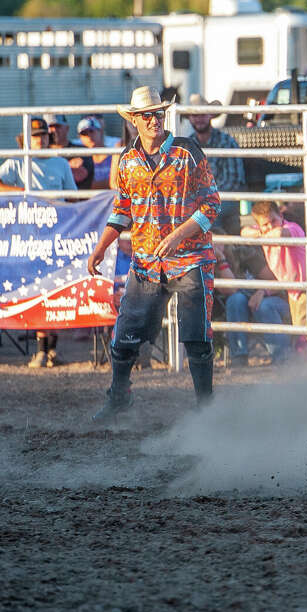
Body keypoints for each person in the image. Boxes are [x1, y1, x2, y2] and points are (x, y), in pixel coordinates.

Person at [87, 86, 220, 421]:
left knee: (196, 337)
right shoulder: (127, 162)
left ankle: (206, 408)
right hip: (147, 261)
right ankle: (119, 397)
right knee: (125, 335)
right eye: (147, 115)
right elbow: (122, 210)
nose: (154, 120)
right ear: (134, 120)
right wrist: (102, 246)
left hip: (190, 258)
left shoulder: (188, 152)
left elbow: (212, 203)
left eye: (158, 114)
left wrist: (179, 234)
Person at [0, 117, 78, 368]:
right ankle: (41, 350)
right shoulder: (18, 161)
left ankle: (51, 350)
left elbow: (73, 198)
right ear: (26, 139)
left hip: (59, 232)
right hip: (32, 236)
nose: (41, 139)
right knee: (39, 290)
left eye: (44, 135)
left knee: (58, 289)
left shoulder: (60, 163)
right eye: (36, 135)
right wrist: (21, 194)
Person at [231, 200, 307, 365]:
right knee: (303, 330)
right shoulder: (264, 231)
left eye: (273, 221)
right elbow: (245, 232)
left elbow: (281, 234)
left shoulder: (292, 228)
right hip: (294, 289)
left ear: (281, 216)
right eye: (264, 224)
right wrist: (260, 232)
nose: (270, 226)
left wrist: (261, 234)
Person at [186, 94, 245, 235]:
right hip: (200, 201)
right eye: (194, 115)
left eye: (202, 114)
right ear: (189, 118)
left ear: (210, 115)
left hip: (225, 198)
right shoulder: (188, 144)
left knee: (206, 217)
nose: (198, 119)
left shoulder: (226, 142)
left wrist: (205, 199)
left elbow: (233, 181)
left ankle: (212, 250)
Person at [75, 116, 114, 190]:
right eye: (84, 133)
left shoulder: (113, 155)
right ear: (79, 137)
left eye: (91, 131)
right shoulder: (78, 159)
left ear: (100, 132)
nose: (89, 136)